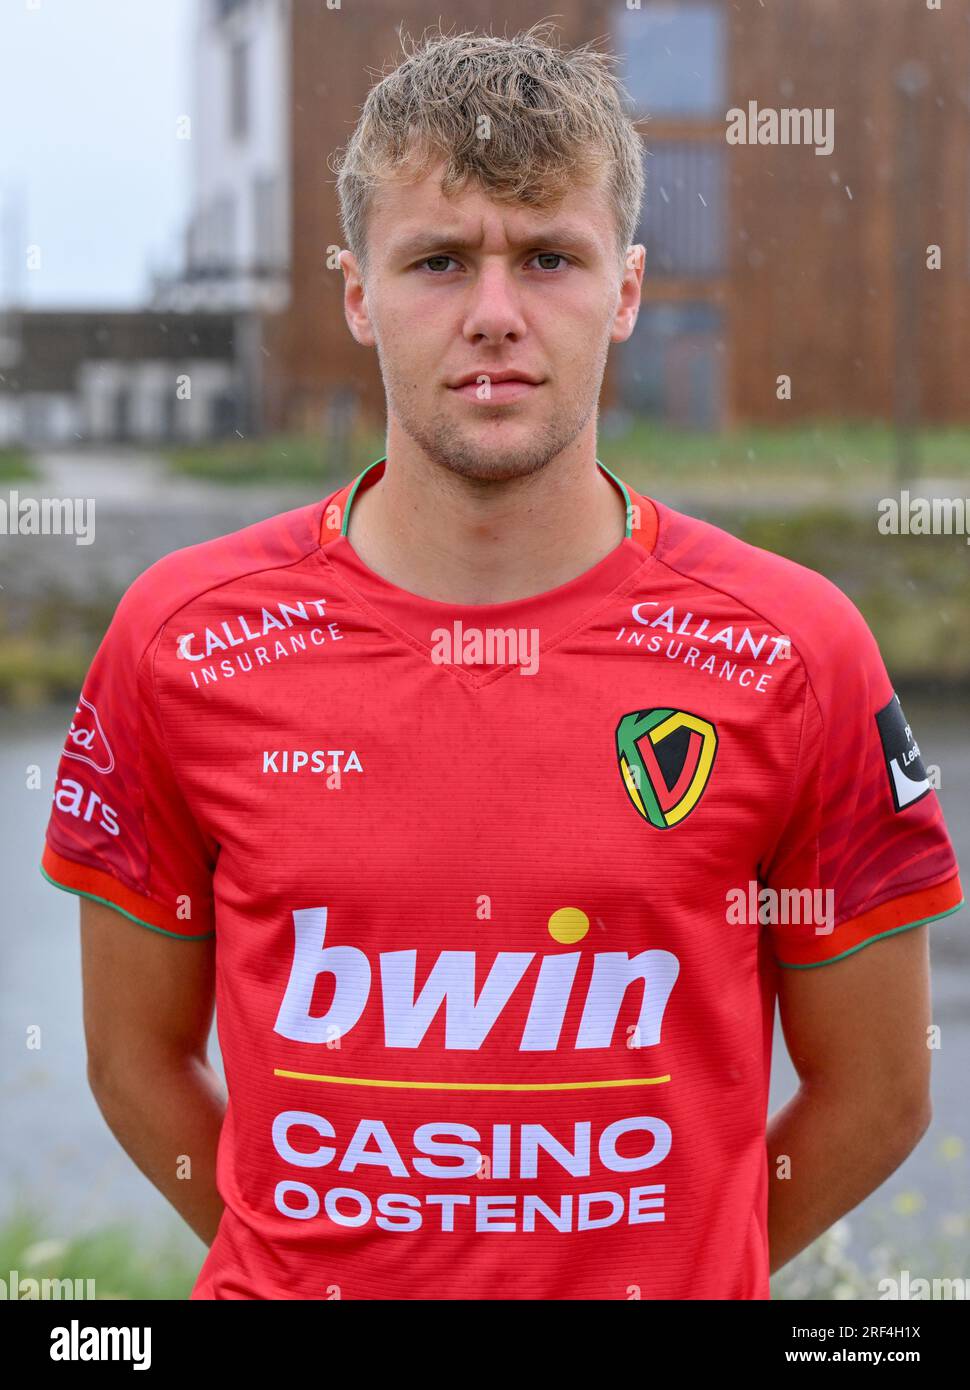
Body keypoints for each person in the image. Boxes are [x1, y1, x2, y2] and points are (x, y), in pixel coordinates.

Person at [40, 24, 963, 1301]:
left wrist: (680, 1267)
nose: (493, 314)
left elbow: (879, 1090)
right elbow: (130, 1061)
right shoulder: (184, 635)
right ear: (357, 292)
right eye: (437, 260)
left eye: (547, 259)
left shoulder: (790, 649)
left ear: (626, 289)